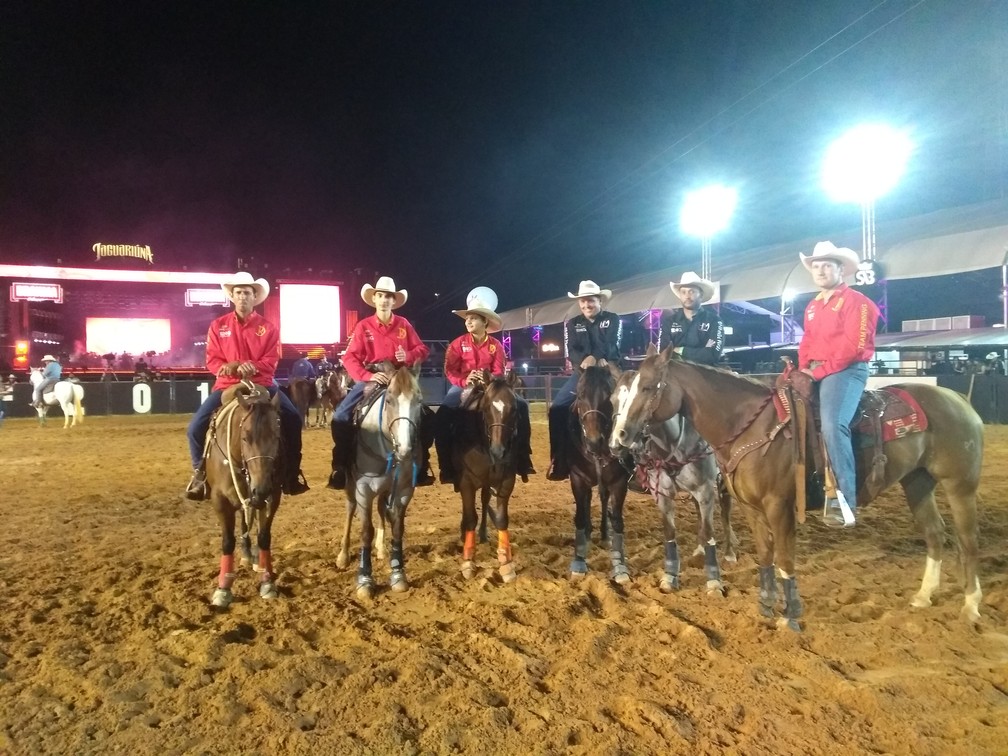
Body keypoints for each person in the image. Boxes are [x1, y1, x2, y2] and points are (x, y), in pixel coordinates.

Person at [184, 271, 310, 500]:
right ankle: (200, 475)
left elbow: (271, 361)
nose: (243, 297)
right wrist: (232, 366)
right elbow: (212, 360)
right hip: (226, 385)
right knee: (194, 429)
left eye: (247, 293)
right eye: (239, 292)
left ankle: (292, 472)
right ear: (232, 297)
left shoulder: (268, 328)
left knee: (292, 419)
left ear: (255, 297)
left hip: (262, 383)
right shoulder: (217, 326)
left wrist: (250, 366)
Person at [797, 241, 879, 528]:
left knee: (832, 424)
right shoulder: (812, 306)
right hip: (816, 370)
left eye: (826, 265)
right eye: (816, 266)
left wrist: (817, 373)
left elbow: (853, 348)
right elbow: (806, 341)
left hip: (846, 371)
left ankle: (844, 499)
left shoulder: (859, 302)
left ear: (841, 269)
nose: (820, 271)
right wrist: (803, 369)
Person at [327, 276, 435, 489]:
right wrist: (368, 376)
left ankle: (422, 465)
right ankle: (341, 466)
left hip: (400, 378)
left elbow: (423, 349)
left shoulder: (403, 324)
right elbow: (349, 358)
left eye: (388, 296)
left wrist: (409, 356)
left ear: (394, 301)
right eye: (380, 296)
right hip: (372, 379)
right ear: (374, 299)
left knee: (426, 416)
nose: (384, 300)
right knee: (340, 416)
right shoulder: (363, 326)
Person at [434, 289, 536, 485]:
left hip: (491, 387)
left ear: (485, 322)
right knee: (443, 415)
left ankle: (523, 457)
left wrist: (488, 379)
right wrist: (466, 380)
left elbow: (499, 370)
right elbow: (450, 370)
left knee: (521, 405)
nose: (469, 321)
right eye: (467, 319)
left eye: (473, 318)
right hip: (464, 387)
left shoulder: (495, 345)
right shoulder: (457, 344)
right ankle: (446, 465)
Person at [546, 280, 623, 481]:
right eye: (583, 302)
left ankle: (634, 460)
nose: (586, 305)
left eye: (590, 301)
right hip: (582, 373)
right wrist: (583, 360)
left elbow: (611, 344)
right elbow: (571, 349)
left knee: (631, 405)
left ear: (600, 301)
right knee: (557, 408)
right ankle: (559, 458)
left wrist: (593, 357)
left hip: (609, 370)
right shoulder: (573, 323)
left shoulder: (613, 319)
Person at [659, 272, 724, 365]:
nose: (687, 296)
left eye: (692, 291)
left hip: (704, 376)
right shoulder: (669, 322)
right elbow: (664, 354)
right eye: (683, 292)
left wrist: (681, 350)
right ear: (680, 295)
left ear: (701, 295)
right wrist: (701, 352)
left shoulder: (714, 321)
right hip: (676, 376)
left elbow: (712, 355)